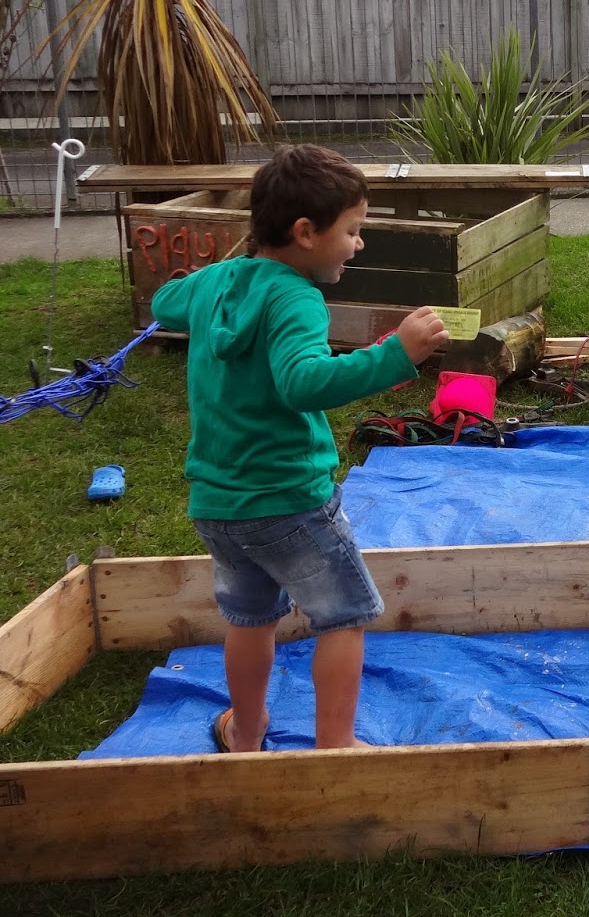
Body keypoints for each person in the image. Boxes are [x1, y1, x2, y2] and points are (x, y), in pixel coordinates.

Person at [151, 144, 449, 751]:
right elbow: (302, 382)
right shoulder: (296, 298)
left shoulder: (215, 283)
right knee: (345, 616)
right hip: (287, 500)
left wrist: (205, 281)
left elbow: (163, 303)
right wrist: (398, 353)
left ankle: (247, 726)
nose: (358, 244)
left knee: (250, 618)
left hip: (218, 505)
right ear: (306, 231)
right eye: (352, 231)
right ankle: (336, 745)